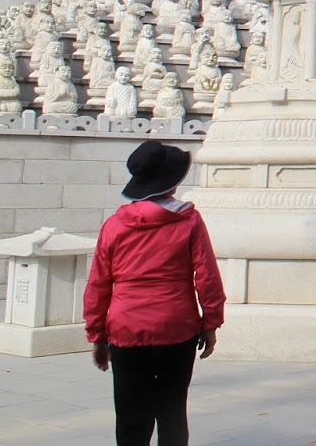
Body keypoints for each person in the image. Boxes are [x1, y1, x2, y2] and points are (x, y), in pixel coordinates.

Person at [85, 142, 225, 446]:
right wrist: (211, 323)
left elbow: (98, 284)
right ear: (171, 183)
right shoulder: (189, 221)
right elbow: (207, 276)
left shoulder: (114, 225)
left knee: (131, 416)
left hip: (126, 328)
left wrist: (97, 336)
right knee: (173, 412)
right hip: (177, 326)